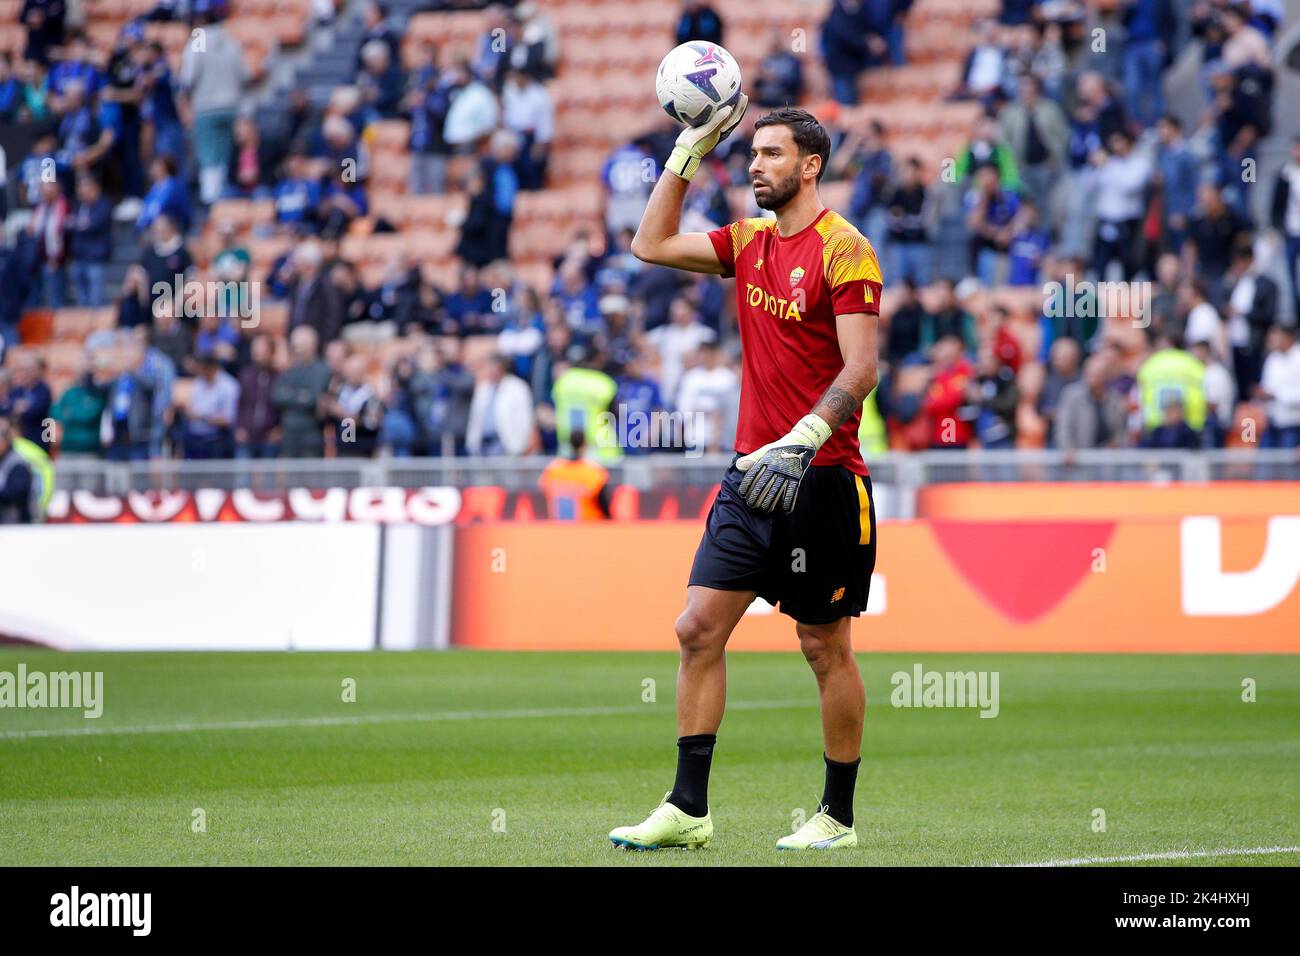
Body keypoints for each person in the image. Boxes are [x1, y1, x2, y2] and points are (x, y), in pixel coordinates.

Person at [609, 104, 881, 851]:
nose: (755, 165)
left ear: (810, 165)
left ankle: (837, 816)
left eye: (770, 154)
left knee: (824, 646)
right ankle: (688, 809)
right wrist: (688, 148)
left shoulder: (846, 250)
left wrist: (807, 434)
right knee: (697, 629)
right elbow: (650, 242)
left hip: (822, 477)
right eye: (752, 152)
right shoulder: (750, 241)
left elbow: (862, 367)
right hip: (750, 478)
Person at [538, 428, 611, 520]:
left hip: (558, 527)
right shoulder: (593, 471)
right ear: (584, 445)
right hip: (589, 526)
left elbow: (541, 493)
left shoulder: (553, 469)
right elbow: (603, 501)